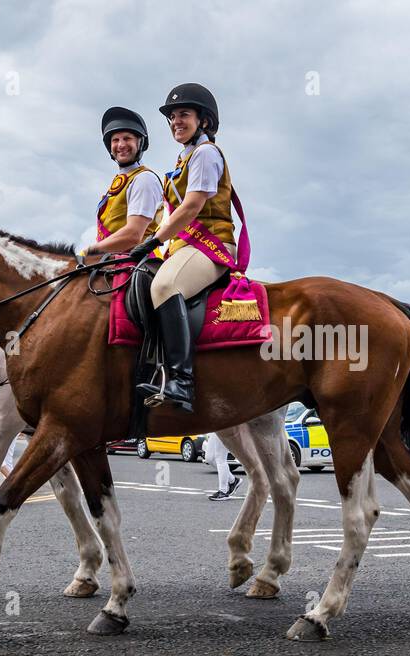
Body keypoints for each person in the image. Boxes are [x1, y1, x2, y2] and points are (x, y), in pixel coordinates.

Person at [125, 83, 250, 414]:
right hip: (186, 247)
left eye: (184, 115)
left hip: (212, 246)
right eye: (173, 116)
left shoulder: (206, 154)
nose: (176, 121)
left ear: (204, 121)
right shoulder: (184, 159)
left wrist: (154, 240)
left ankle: (182, 380)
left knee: (165, 285)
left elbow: (192, 207)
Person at [82, 106, 164, 257]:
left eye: (127, 138)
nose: (121, 145)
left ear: (140, 143)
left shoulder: (144, 179)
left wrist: (89, 252)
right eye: (115, 140)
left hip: (136, 264)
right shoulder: (121, 181)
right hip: (112, 260)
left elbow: (133, 235)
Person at [204, 433, 242, 501]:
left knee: (220, 458)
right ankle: (233, 481)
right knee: (209, 458)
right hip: (214, 429)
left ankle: (223, 492)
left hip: (223, 427)